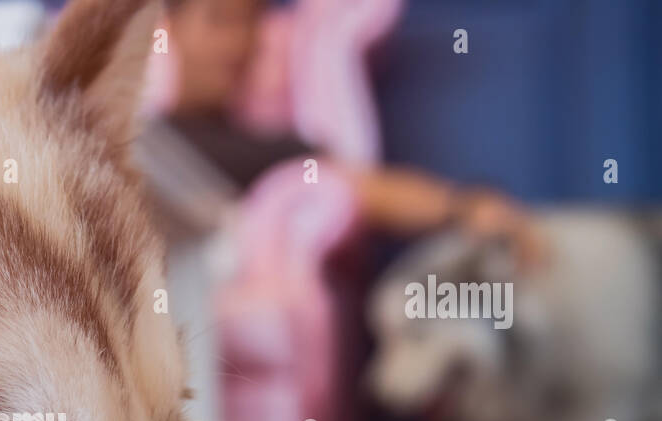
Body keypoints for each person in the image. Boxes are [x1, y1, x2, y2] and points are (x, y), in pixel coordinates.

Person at [163, 0, 547, 265]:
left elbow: (360, 187)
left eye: (251, 23)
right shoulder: (131, 135)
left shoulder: (260, 152)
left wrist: (465, 207)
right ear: (168, 28)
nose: (238, 43)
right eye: (218, 19)